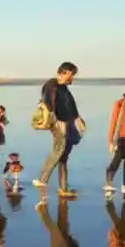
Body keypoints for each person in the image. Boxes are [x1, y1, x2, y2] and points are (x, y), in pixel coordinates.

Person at [35, 62, 84, 195]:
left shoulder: (64, 88)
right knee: (58, 151)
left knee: (64, 156)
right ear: (63, 72)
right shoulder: (51, 85)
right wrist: (56, 121)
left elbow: (71, 102)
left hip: (68, 123)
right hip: (58, 124)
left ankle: (63, 188)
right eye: (71, 74)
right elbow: (47, 102)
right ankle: (42, 180)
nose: (72, 77)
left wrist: (77, 118)